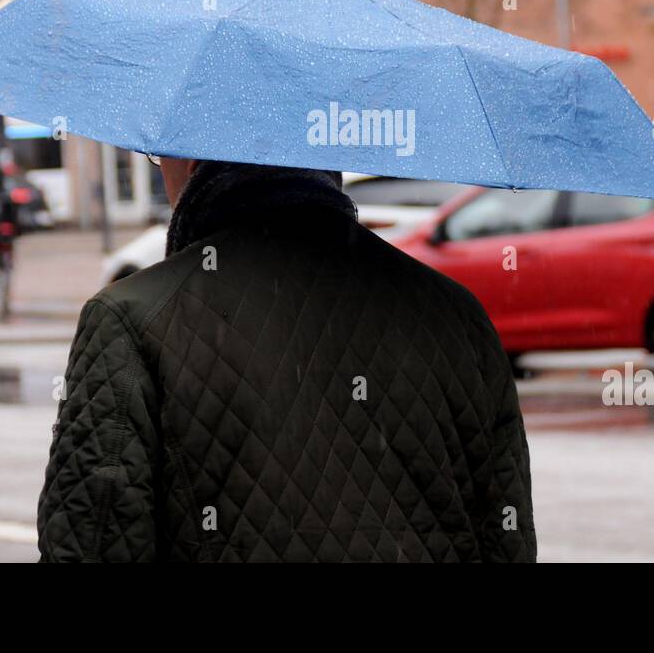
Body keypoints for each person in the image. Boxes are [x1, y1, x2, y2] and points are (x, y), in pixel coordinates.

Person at [37, 158, 536, 562]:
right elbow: (505, 539)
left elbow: (92, 542)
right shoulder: (455, 315)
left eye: (157, 153)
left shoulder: (133, 319)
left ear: (192, 156)